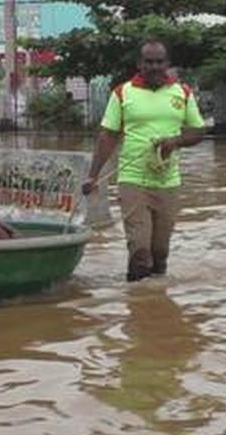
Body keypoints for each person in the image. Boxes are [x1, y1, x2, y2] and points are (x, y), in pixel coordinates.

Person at [82, 41, 206, 282]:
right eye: (148, 61)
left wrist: (175, 142)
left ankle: (156, 307)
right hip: (133, 180)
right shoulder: (122, 92)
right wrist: (93, 175)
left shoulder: (183, 92)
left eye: (159, 61)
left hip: (168, 180)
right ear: (139, 64)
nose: (154, 66)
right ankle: (137, 305)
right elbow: (108, 135)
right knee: (140, 251)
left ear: (167, 64)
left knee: (160, 253)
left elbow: (198, 131)